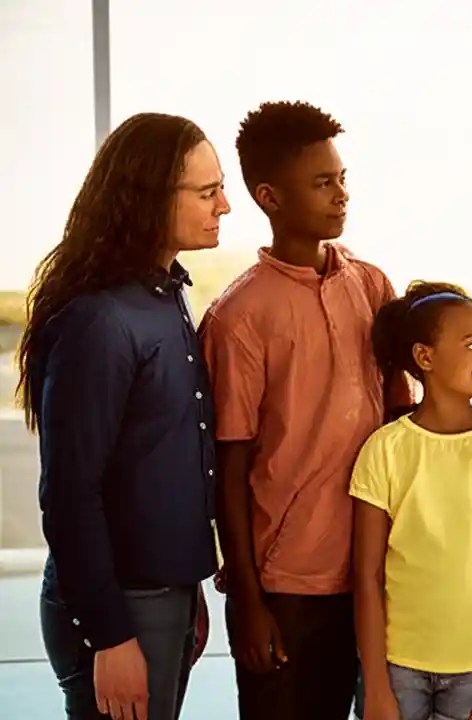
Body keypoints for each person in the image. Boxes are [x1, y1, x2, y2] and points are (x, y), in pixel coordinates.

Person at [200, 101, 472, 720]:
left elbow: (413, 413)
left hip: (377, 578)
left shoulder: (371, 285)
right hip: (288, 587)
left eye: (342, 179)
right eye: (322, 182)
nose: (340, 194)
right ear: (270, 196)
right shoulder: (239, 316)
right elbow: (230, 462)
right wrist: (247, 600)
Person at [18, 112, 229, 720]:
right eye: (207, 191)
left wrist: (187, 590)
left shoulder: (165, 295)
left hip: (162, 600)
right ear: (150, 197)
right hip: (120, 610)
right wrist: (110, 636)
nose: (225, 205)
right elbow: (68, 494)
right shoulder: (100, 320)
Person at [352, 281, 472, 720]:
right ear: (425, 357)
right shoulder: (385, 449)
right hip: (398, 668)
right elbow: (367, 574)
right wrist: (377, 688)